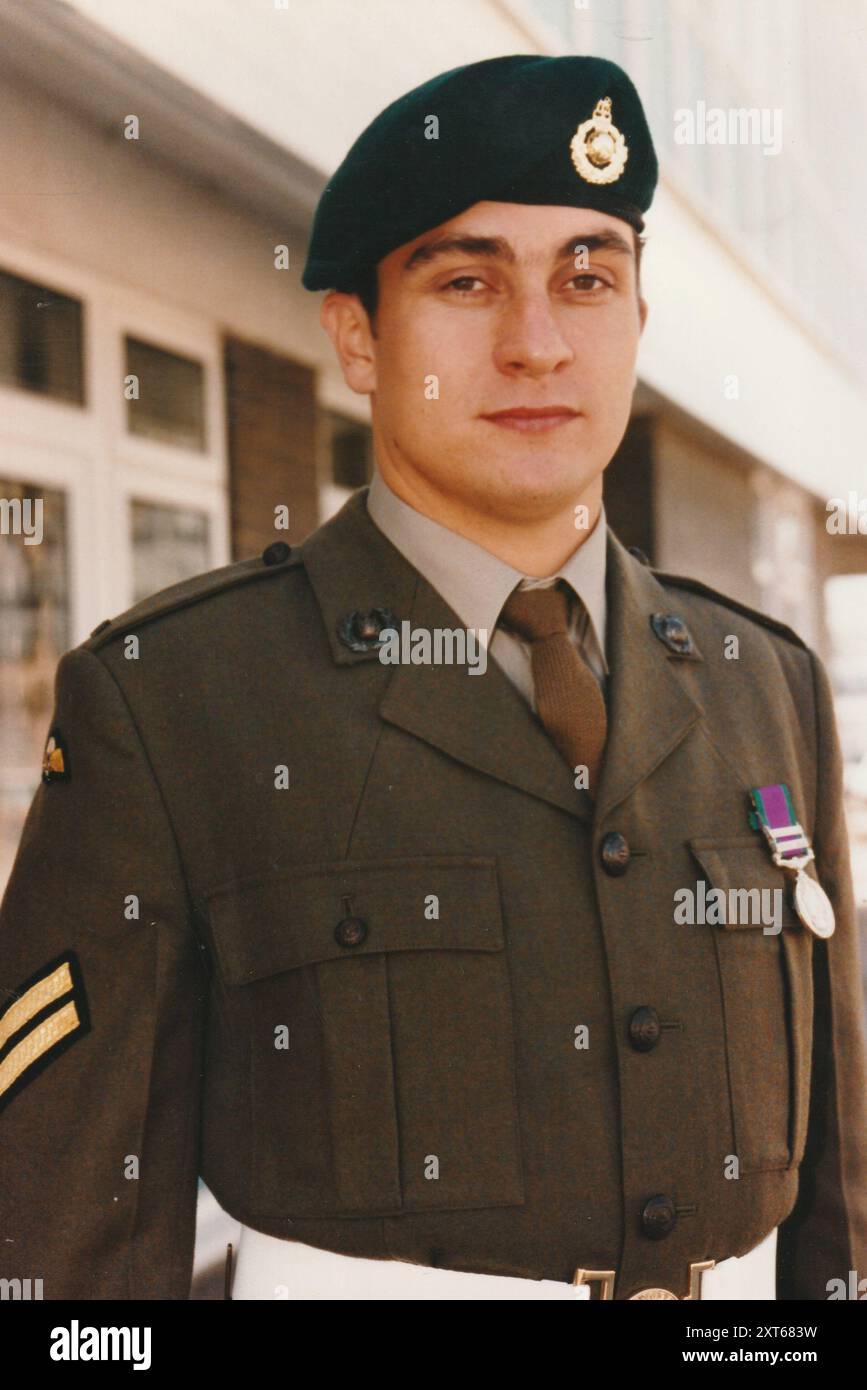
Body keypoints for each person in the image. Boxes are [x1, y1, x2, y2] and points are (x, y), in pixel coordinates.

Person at [1, 54, 865, 1302]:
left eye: (587, 277)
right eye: (467, 280)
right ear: (358, 338)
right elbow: (65, 1265)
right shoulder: (174, 701)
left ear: (637, 321)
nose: (536, 342)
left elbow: (837, 1215)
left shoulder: (763, 684)